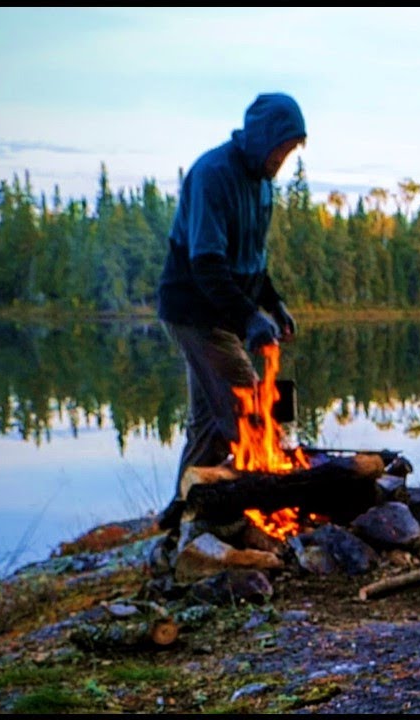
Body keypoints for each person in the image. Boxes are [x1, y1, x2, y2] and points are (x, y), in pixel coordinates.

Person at [155, 93, 307, 535]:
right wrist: (249, 319)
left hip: (224, 313)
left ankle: (179, 519)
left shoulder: (262, 185)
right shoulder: (213, 175)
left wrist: (272, 304)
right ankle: (273, 513)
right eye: (281, 147)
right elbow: (207, 264)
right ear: (262, 140)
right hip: (193, 310)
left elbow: (252, 262)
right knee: (247, 404)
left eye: (291, 150)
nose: (284, 158)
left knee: (207, 426)